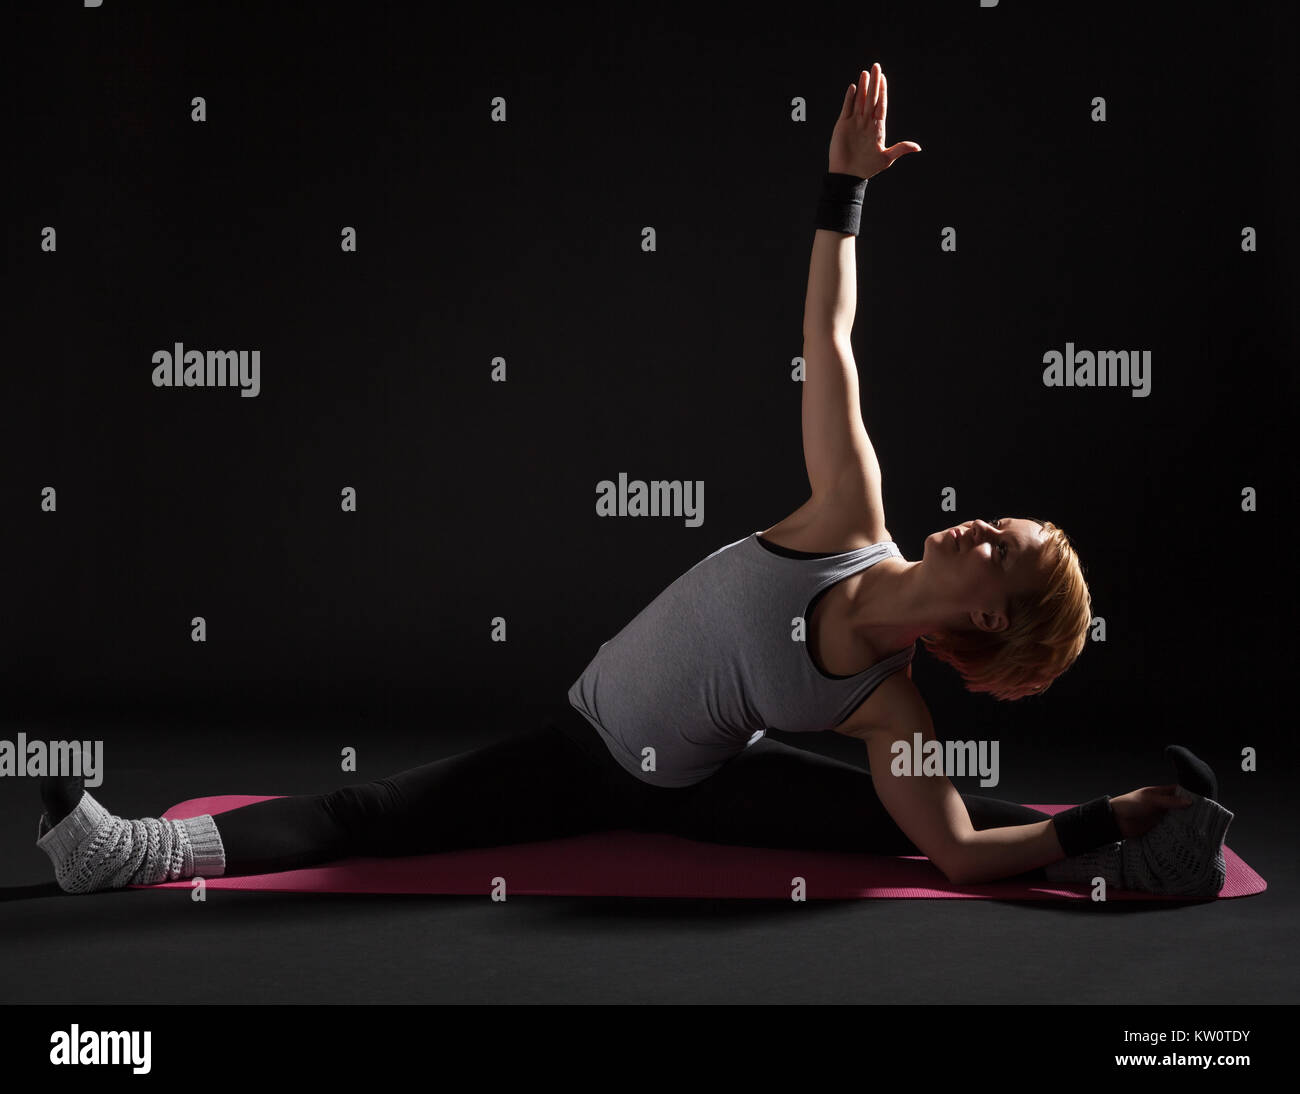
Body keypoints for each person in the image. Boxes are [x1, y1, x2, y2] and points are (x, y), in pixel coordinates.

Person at [34, 64, 1232, 900]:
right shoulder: (849, 515)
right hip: (655, 756)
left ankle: (124, 855)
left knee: (368, 824)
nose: (976, 520)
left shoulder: (889, 709)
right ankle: (1126, 821)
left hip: (624, 773)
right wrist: (844, 189)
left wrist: (1099, 819)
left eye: (998, 544)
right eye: (999, 523)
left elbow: (967, 860)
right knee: (905, 821)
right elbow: (832, 335)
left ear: (983, 613)